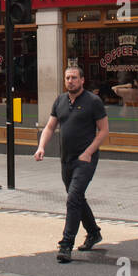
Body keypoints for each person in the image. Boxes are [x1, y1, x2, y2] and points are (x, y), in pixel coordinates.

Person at [35, 65, 109, 263]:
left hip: (86, 159)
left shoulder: (93, 102)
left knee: (73, 198)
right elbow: (50, 127)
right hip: (66, 159)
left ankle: (66, 244)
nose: (70, 81)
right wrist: (41, 147)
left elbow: (103, 131)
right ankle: (93, 232)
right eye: (67, 78)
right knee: (76, 198)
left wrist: (88, 152)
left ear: (82, 80)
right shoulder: (60, 101)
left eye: (74, 78)